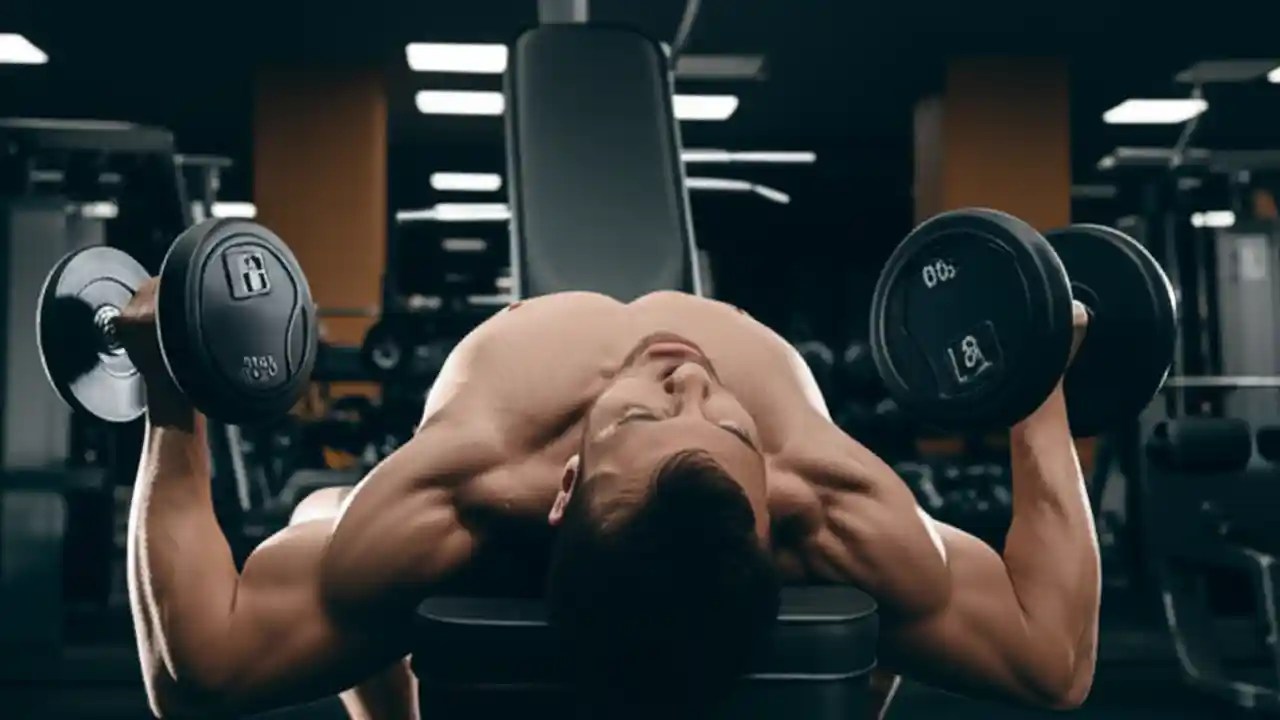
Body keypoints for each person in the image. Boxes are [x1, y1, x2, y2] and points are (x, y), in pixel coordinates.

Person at [117, 287, 1099, 719]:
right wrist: (1040, 386)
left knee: (323, 518)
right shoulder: (829, 505)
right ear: (770, 514)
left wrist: (168, 397)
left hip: (463, 511)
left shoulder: (461, 490)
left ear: (564, 487)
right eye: (723, 425)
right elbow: (1050, 658)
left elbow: (198, 669)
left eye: (652, 417)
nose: (690, 378)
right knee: (883, 604)